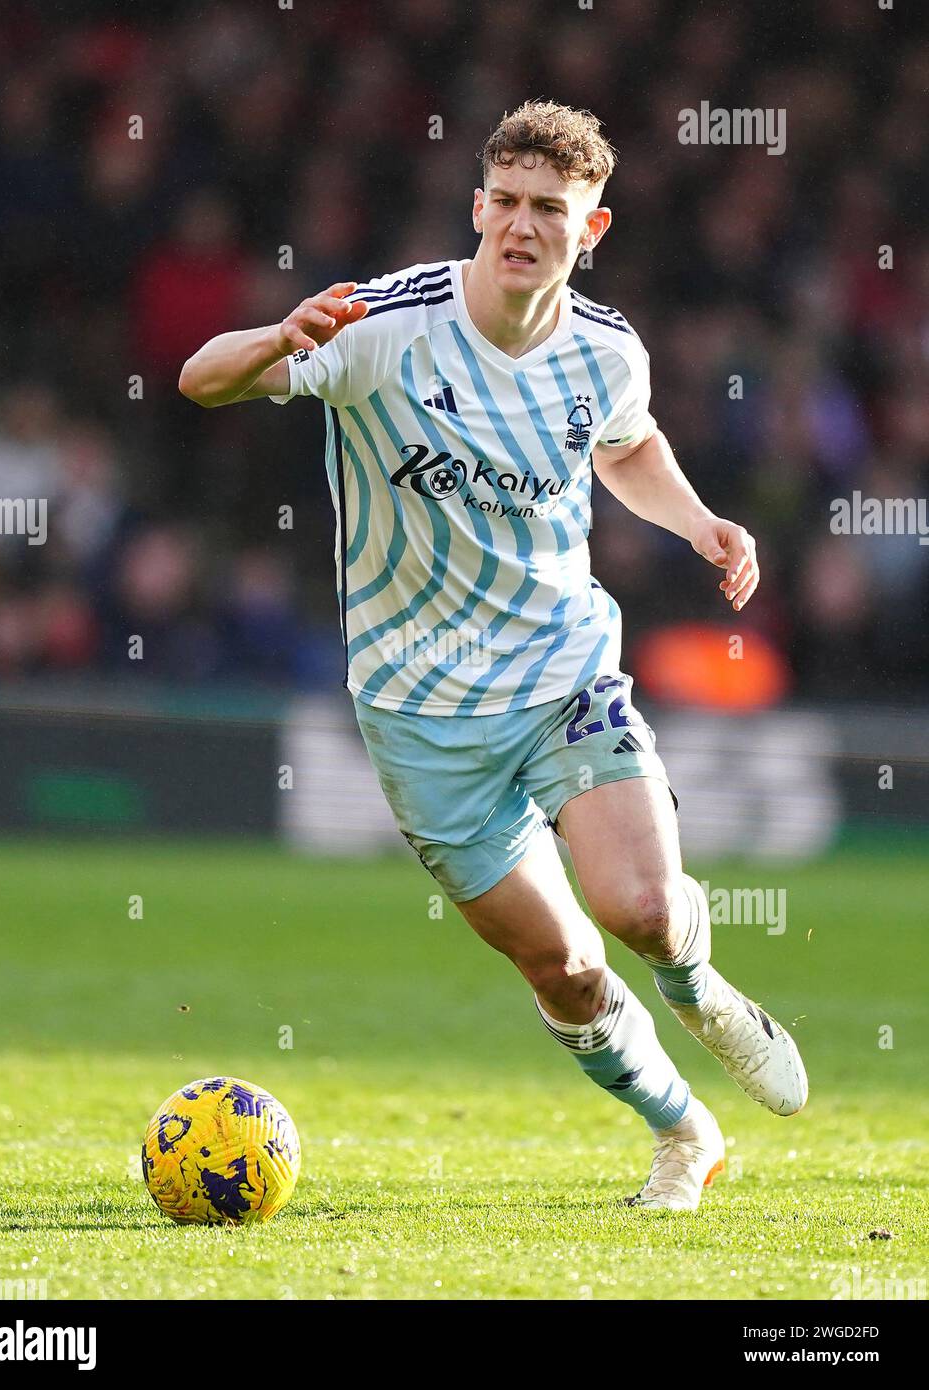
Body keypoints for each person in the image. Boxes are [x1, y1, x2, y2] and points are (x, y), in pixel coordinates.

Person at [179, 99, 807, 1210]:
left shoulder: (607, 351)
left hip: (560, 670)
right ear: (477, 208)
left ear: (592, 227)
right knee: (563, 967)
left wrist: (701, 521)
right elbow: (199, 378)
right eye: (505, 203)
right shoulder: (379, 327)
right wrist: (278, 338)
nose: (521, 225)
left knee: (646, 911)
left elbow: (629, 445)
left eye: (548, 210)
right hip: (417, 710)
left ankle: (705, 990)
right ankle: (682, 1128)